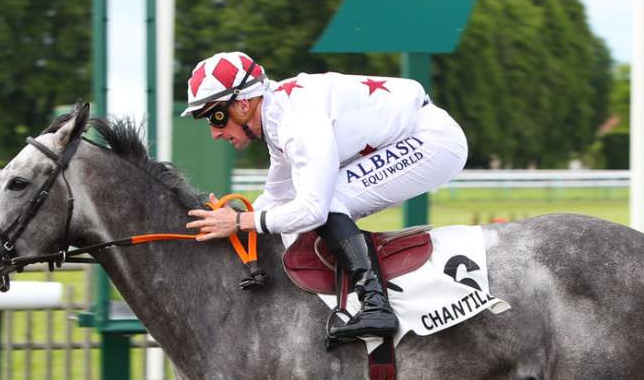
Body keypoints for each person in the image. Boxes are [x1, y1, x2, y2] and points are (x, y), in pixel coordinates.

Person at [183, 51, 468, 341]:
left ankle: (376, 305)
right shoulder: (276, 116)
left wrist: (239, 221)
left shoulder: (295, 124)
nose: (214, 133)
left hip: (433, 141)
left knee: (328, 202)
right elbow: (277, 195)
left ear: (243, 104)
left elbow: (313, 210)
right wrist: (230, 222)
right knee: (321, 201)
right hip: (416, 134)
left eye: (216, 117)